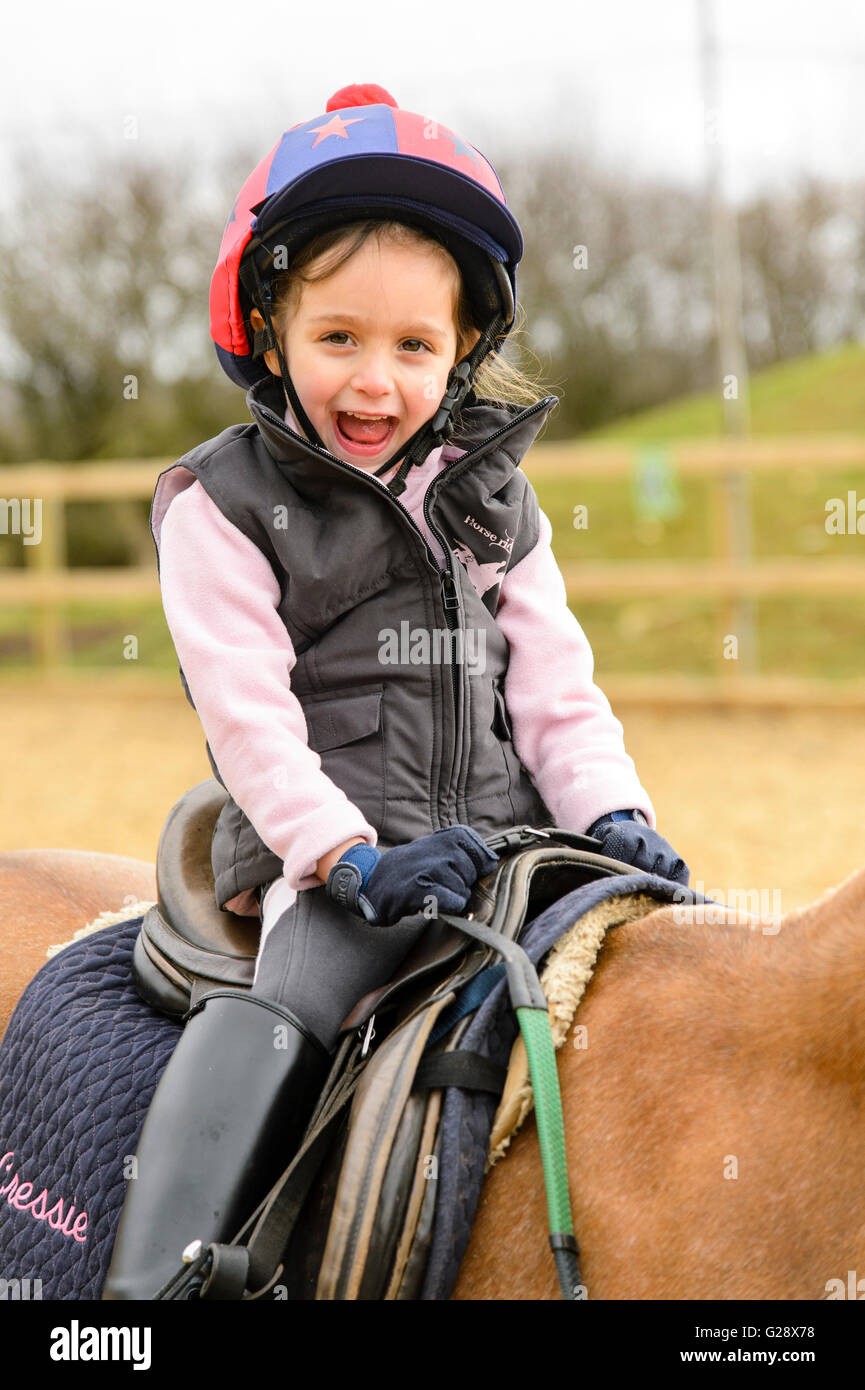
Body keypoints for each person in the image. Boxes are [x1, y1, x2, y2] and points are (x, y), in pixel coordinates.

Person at [103, 82, 688, 1300]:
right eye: (339, 340)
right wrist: (345, 858)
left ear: (463, 350)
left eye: (414, 347)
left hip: (507, 844)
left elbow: (557, 690)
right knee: (294, 1014)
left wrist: (611, 817)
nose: (375, 382)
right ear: (271, 332)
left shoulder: (493, 503)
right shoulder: (222, 508)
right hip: (341, 874)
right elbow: (248, 722)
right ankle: (156, 1287)